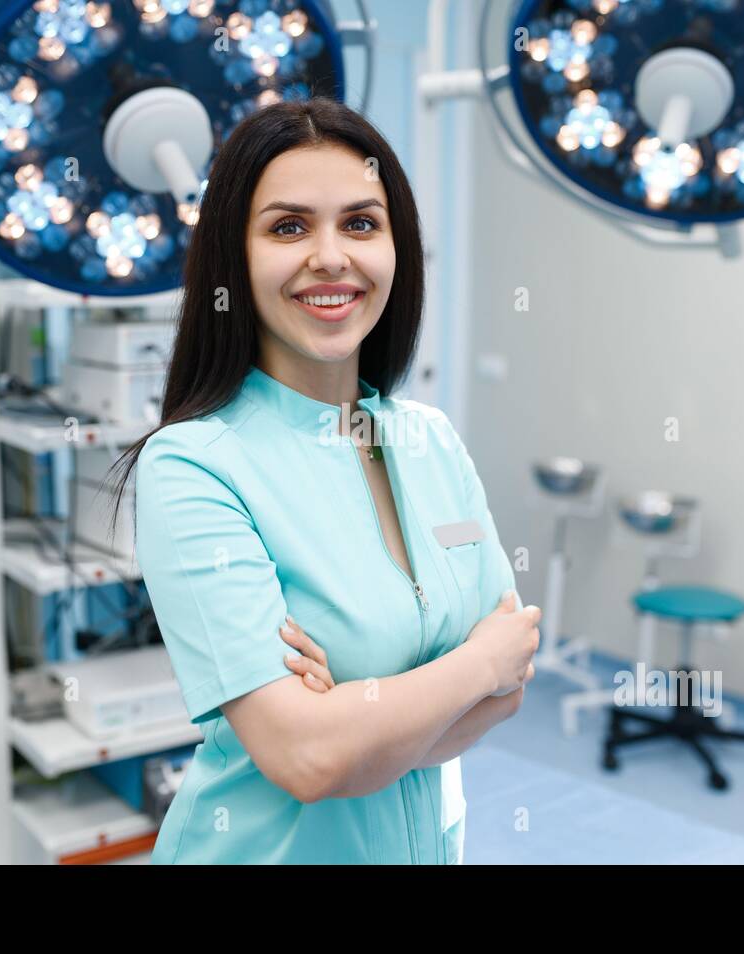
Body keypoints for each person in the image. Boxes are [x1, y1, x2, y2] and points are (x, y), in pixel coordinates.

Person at [108, 96, 541, 864]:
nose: (332, 257)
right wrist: (474, 663)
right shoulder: (196, 466)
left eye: (361, 223)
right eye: (288, 227)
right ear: (233, 259)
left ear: (396, 247)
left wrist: (353, 719)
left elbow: (509, 696)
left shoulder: (430, 441)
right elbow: (306, 759)